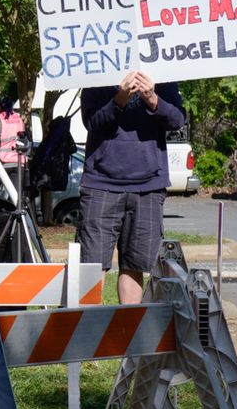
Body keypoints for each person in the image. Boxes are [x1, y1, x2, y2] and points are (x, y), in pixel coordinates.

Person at [78, 70, 185, 304]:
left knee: (135, 266)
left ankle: (127, 332)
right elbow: (92, 123)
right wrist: (120, 99)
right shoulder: (95, 73)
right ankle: (88, 332)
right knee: (92, 266)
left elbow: (177, 120)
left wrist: (152, 98)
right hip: (101, 185)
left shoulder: (163, 75)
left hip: (148, 185)